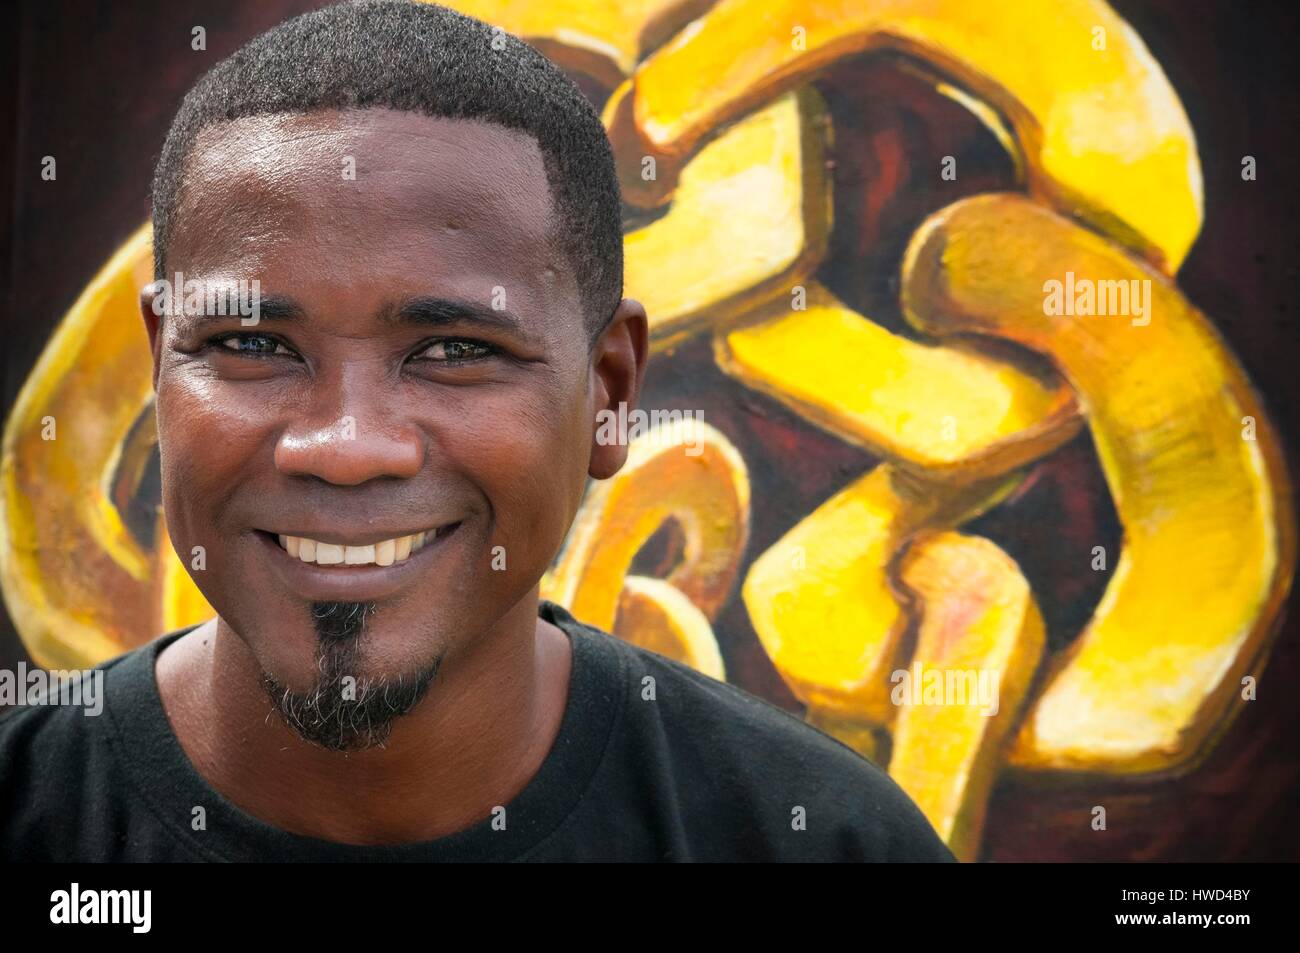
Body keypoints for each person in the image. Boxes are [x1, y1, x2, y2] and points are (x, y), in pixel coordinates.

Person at [0, 0, 955, 862]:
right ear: (163, 370)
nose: (347, 446)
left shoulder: (826, 841)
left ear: (609, 390)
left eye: (454, 350)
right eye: (254, 342)